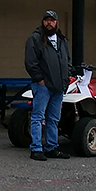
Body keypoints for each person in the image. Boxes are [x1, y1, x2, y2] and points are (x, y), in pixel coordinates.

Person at [24, 9, 71, 162]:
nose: (49, 22)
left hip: (58, 87)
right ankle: (36, 148)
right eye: (46, 20)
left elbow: (67, 61)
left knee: (53, 119)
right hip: (43, 86)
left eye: (52, 20)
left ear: (56, 22)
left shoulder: (62, 40)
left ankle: (52, 147)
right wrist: (40, 79)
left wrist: (66, 80)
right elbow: (31, 62)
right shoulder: (35, 39)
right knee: (38, 117)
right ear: (43, 22)